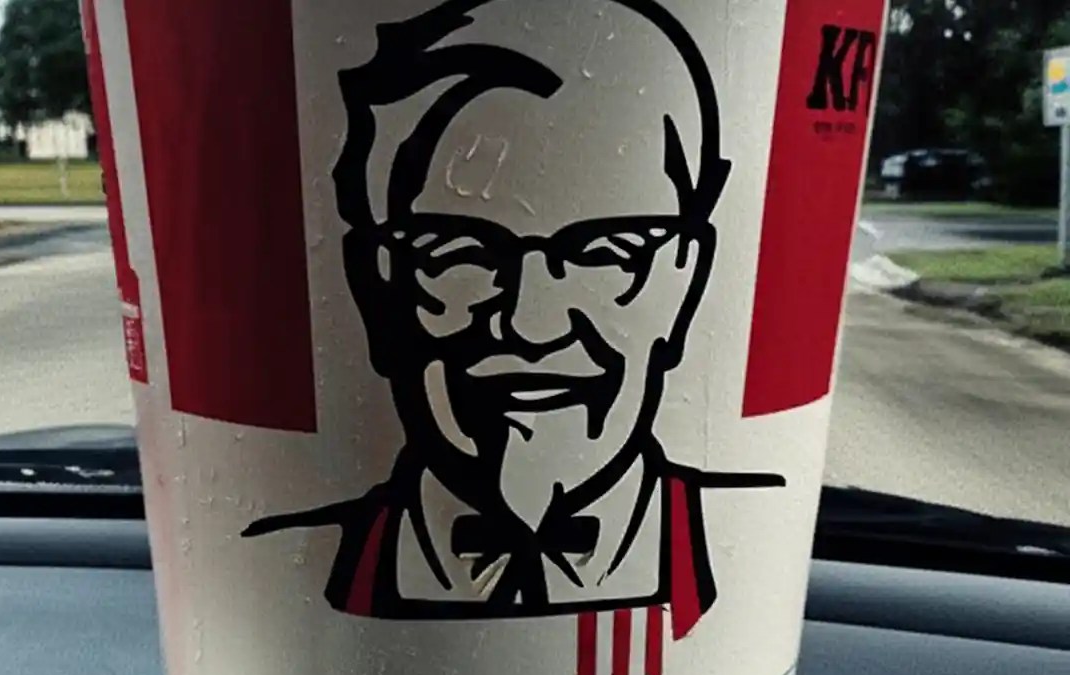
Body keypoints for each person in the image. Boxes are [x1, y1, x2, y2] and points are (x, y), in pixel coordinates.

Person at [244, 0, 784, 627]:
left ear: (683, 281)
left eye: (608, 252)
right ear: (376, 288)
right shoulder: (265, 579)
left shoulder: (762, 547)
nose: (532, 324)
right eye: (457, 252)